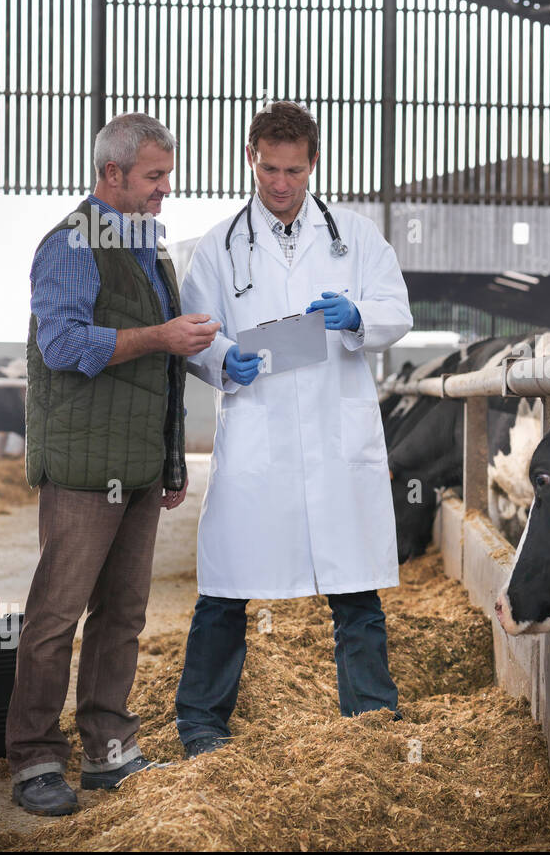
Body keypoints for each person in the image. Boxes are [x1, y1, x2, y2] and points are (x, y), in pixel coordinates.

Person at [174, 101, 413, 758]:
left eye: (294, 170)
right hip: (258, 438)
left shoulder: (355, 237)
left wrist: (357, 311)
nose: (280, 183)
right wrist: (224, 358)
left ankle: (371, 719)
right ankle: (200, 723)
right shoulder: (218, 248)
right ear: (250, 157)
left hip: (336, 440)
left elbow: (397, 311)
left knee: (354, 585)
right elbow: (192, 334)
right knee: (225, 588)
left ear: (314, 164)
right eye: (269, 168)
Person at [8, 113, 220, 816]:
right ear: (112, 175)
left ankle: (107, 749)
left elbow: (163, 369)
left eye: (167, 174)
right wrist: (161, 334)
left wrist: (170, 461)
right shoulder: (70, 244)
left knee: (123, 612)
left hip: (135, 467)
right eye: (154, 176)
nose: (166, 189)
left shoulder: (150, 251)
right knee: (56, 613)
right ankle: (35, 756)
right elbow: (63, 344)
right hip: (80, 467)